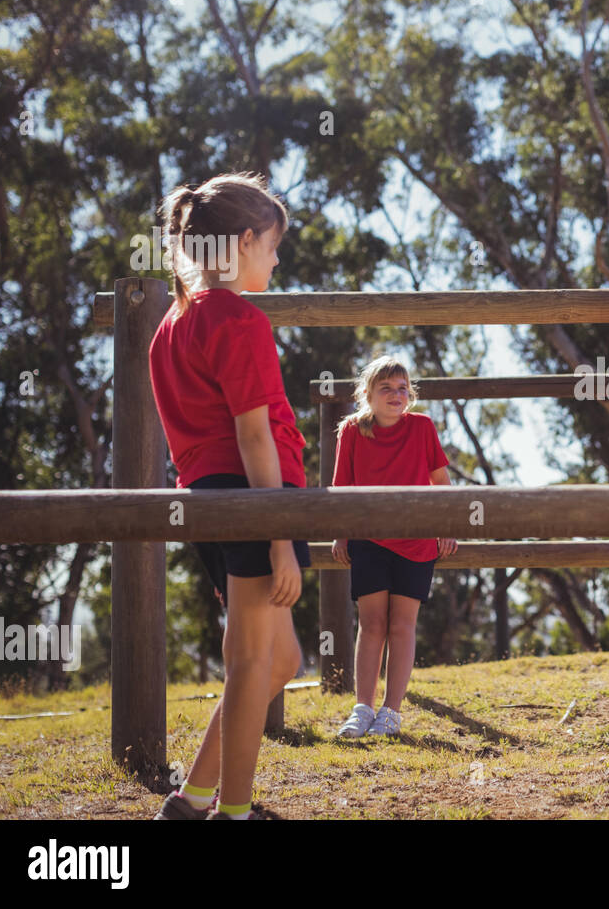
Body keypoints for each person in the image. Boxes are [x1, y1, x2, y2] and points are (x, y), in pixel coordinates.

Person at [149, 173, 307, 819]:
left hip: (210, 501)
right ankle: (233, 810)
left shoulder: (171, 325)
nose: (274, 258)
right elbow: (252, 433)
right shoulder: (237, 318)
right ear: (243, 242)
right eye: (272, 246)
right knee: (250, 659)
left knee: (281, 658)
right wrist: (278, 535)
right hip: (251, 499)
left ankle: (190, 799)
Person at [332, 356, 457, 738]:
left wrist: (446, 526)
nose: (396, 395)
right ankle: (362, 709)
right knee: (372, 625)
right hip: (368, 539)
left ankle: (391, 712)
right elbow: (342, 488)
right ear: (366, 394)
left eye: (402, 388)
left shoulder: (422, 427)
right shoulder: (352, 431)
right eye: (386, 388)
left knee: (402, 626)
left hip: (417, 542)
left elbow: (441, 480)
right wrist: (341, 533)